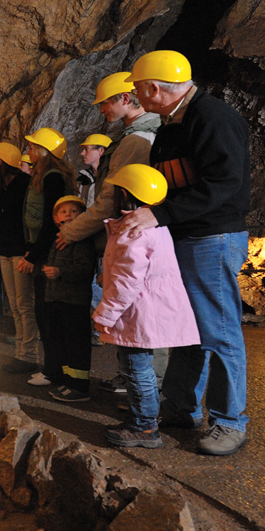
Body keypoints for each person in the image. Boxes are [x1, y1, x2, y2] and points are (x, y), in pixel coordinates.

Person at [119, 50, 251, 456]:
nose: (138, 97)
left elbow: (223, 183)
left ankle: (230, 421)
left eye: (139, 90)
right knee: (187, 330)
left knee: (220, 330)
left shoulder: (210, 117)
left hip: (211, 237)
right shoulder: (172, 123)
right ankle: (181, 406)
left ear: (155, 88)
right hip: (186, 236)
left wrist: (160, 214)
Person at [56, 72, 166, 393]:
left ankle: (145, 393)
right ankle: (134, 381)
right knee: (136, 317)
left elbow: (110, 201)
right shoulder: (142, 135)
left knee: (138, 319)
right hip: (134, 237)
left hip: (130, 240)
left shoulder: (136, 141)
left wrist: (72, 232)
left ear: (125, 99)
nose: (101, 109)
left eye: (105, 102)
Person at [96, 165, 200, 449]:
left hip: (138, 313)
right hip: (147, 310)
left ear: (124, 194)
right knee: (140, 366)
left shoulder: (134, 231)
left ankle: (144, 426)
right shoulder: (155, 227)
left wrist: (105, 314)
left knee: (135, 366)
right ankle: (143, 417)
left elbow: (127, 281)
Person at [18, 127, 75, 387]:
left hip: (49, 252)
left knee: (47, 311)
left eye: (32, 147)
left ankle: (54, 370)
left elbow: (50, 223)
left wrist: (34, 254)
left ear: (45, 150)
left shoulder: (52, 178)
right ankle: (54, 367)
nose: (29, 151)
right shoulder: (46, 175)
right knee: (45, 310)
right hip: (45, 250)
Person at [0, 142, 38, 374]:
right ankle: (20, 354)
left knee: (24, 305)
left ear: (1, 162)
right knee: (15, 306)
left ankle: (28, 355)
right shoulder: (2, 187)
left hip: (20, 251)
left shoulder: (25, 185)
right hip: (6, 252)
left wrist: (30, 250)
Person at [41, 195, 97, 402]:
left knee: (76, 344)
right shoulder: (58, 239)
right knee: (63, 342)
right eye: (64, 212)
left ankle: (80, 386)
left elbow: (84, 269)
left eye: (74, 211)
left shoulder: (81, 240)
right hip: (57, 299)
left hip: (74, 301)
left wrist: (60, 271)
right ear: (56, 218)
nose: (69, 215)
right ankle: (69, 382)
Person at [77, 134, 111, 207]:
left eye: (86, 149)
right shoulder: (82, 180)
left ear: (101, 151)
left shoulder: (113, 179)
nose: (82, 153)